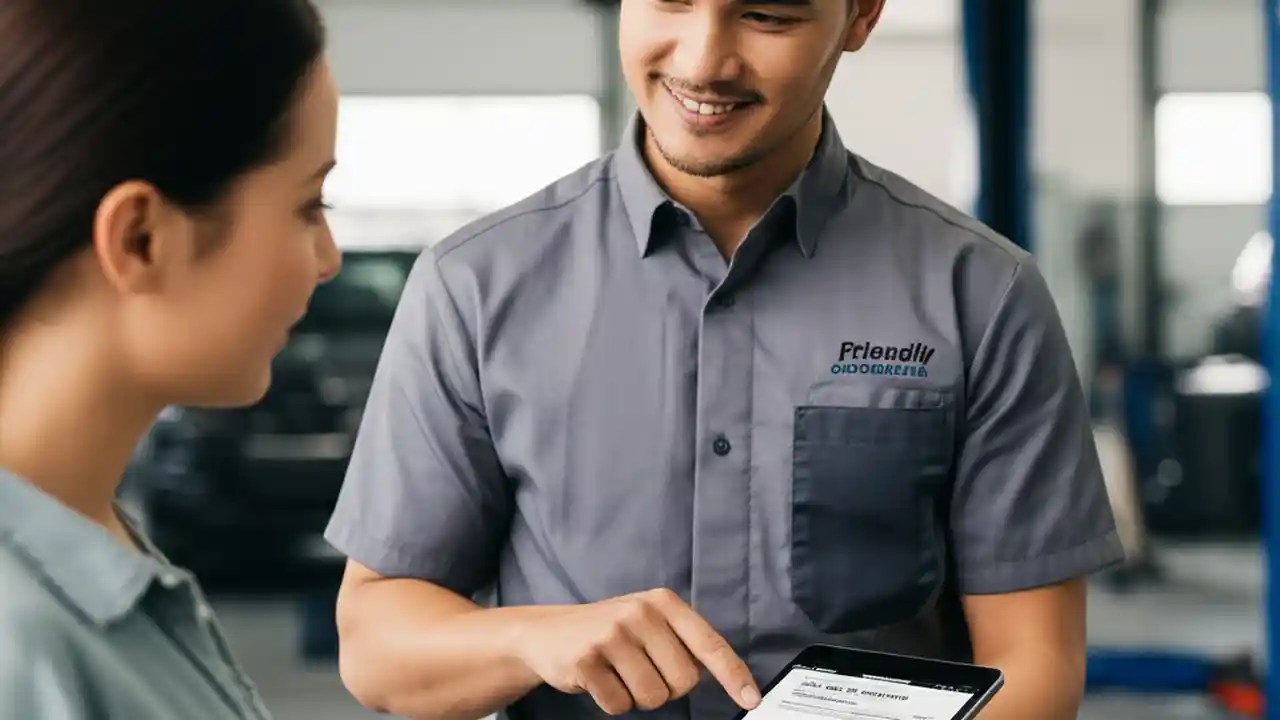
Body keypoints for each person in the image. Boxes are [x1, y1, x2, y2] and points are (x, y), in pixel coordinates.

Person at [325, 1, 1124, 718]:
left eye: (767, 16)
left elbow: (1034, 663)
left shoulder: (981, 293)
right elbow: (377, 644)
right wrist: (537, 638)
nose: (704, 59)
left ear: (859, 19)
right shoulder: (474, 284)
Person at [0, 0, 342, 717]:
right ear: (141, 240)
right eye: (309, 206)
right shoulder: (20, 653)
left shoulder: (101, 554)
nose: (328, 260)